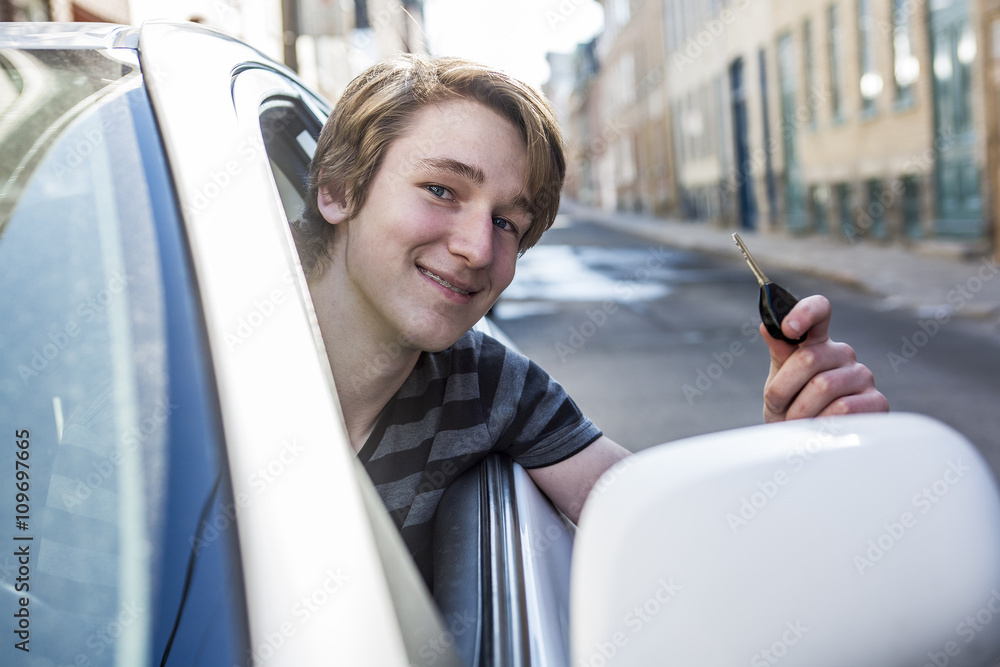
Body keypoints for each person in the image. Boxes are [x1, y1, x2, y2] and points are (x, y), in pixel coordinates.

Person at [293, 54, 888, 586]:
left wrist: (797, 450)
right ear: (340, 188)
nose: (478, 249)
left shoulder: (489, 386)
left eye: (508, 224)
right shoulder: (207, 354)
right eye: (441, 190)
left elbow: (672, 538)